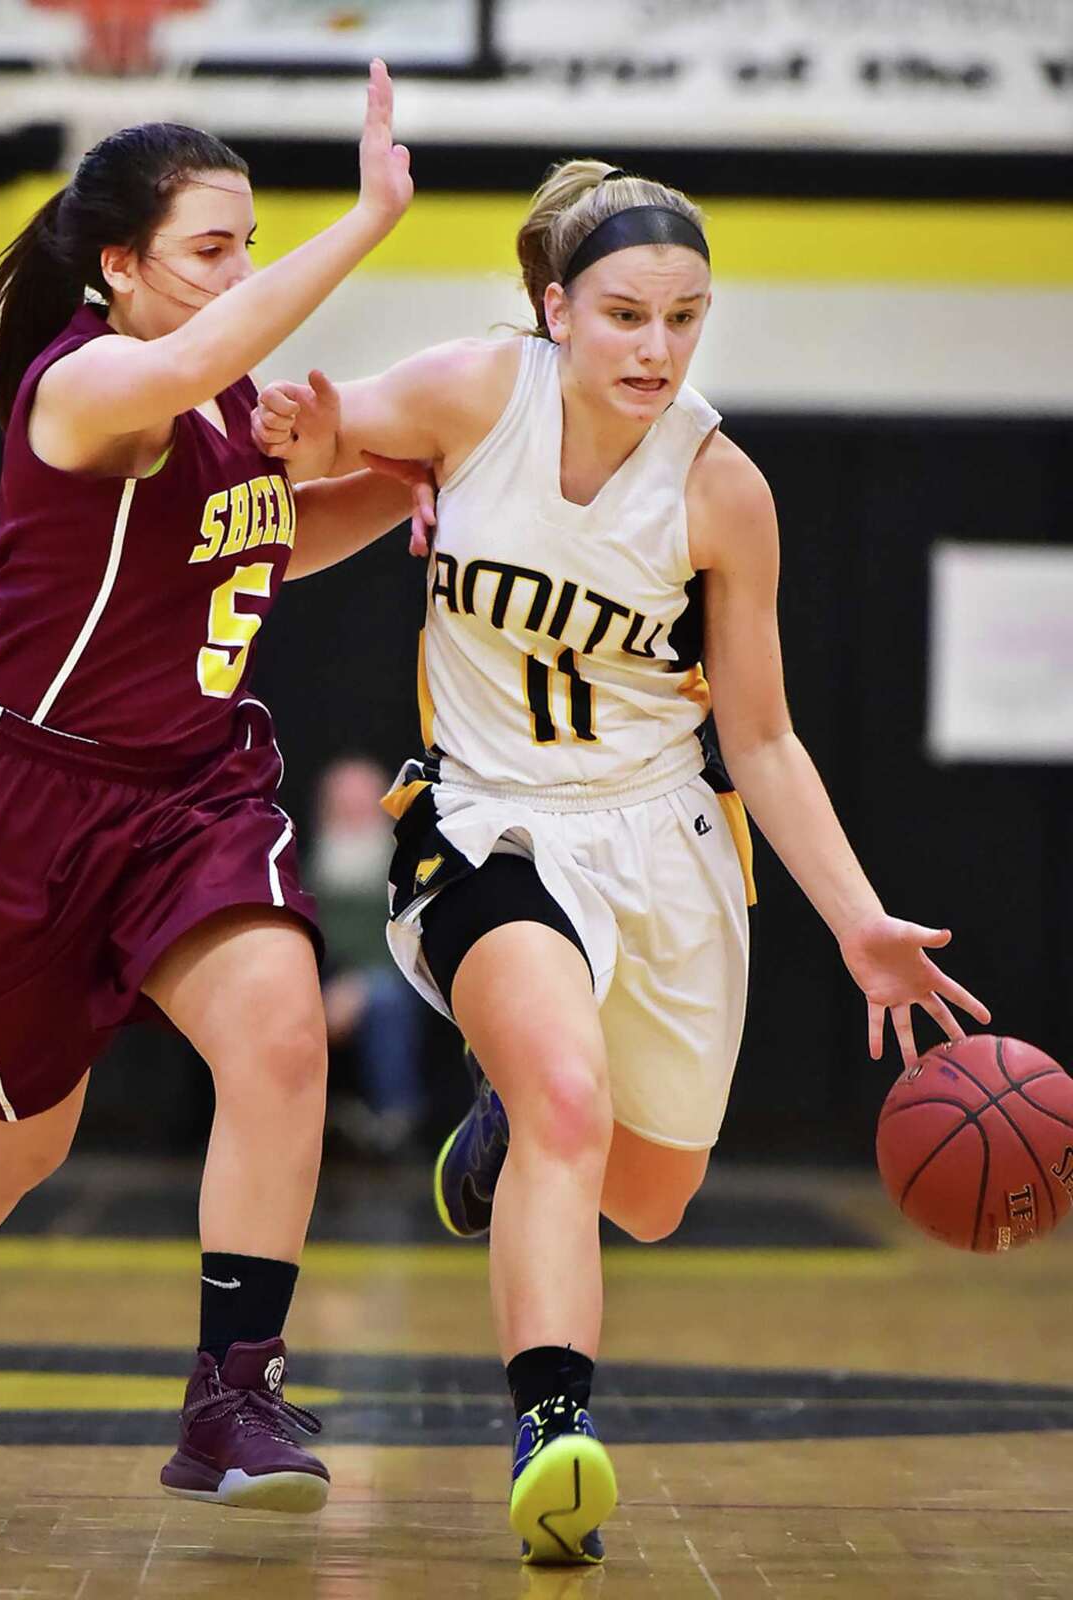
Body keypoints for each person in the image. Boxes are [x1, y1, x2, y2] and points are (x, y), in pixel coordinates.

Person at [251, 159, 992, 1564]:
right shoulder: (479, 391)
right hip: (484, 820)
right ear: (556, 310)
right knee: (569, 1100)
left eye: (686, 317)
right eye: (627, 315)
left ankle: (498, 1131)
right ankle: (555, 1430)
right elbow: (334, 436)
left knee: (646, 1200)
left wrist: (858, 919)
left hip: (658, 830)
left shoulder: (724, 490)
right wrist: (320, 425)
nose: (656, 347)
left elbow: (763, 740)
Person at [0, 62, 422, 1514]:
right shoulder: (92, 381)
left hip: (192, 793)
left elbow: (273, 546)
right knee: (26, 1128)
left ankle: (234, 1400)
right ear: (118, 268)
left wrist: (423, 483)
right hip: (20, 813)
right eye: (212, 247)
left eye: (251, 241)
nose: (240, 272)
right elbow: (188, 372)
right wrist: (368, 220)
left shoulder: (228, 407)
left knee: (283, 1042)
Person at [308, 757, 428, 1159]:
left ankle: (394, 1121)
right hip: (319, 982)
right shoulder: (308, 870)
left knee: (384, 998)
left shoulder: (407, 872)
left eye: (363, 808)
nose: (354, 818)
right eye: (344, 808)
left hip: (393, 981)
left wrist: (358, 986)